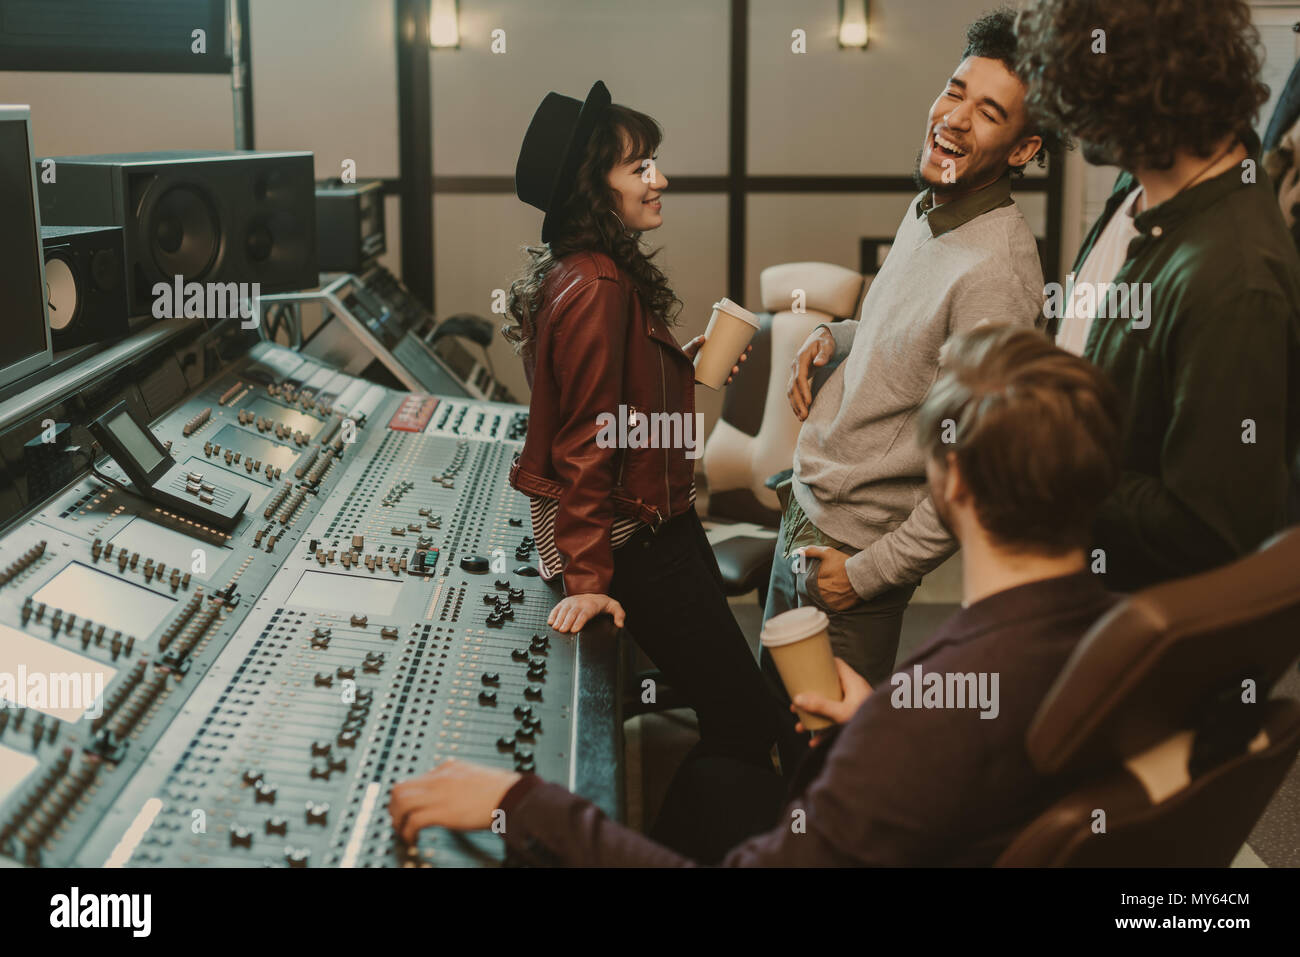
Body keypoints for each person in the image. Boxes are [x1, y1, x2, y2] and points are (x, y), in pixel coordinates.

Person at [390, 324, 1126, 866]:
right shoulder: (1124, 635)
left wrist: (525, 804)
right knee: (719, 779)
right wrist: (869, 723)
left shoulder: (926, 711)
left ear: (950, 485)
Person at [766, 9, 1056, 751]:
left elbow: (978, 475)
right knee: (769, 736)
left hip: (852, 561)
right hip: (804, 512)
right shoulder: (930, 203)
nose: (954, 118)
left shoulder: (999, 273)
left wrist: (861, 577)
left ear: (1025, 147)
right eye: (954, 90)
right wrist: (837, 336)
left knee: (818, 779)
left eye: (987, 111)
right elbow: (904, 341)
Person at [502, 80, 794, 774]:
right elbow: (586, 438)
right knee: (745, 724)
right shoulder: (600, 287)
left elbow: (602, 398)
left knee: (741, 705)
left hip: (657, 518)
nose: (659, 179)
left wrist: (671, 368)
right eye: (639, 167)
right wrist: (589, 579)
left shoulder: (579, 273)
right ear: (592, 187)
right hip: (631, 535)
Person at [1016, 0, 1300, 591]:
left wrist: (1047, 460)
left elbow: (1212, 530)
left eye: (1082, 96)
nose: (1069, 122)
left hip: (1134, 634)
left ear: (1135, 92)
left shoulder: (1238, 283)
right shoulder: (1137, 182)